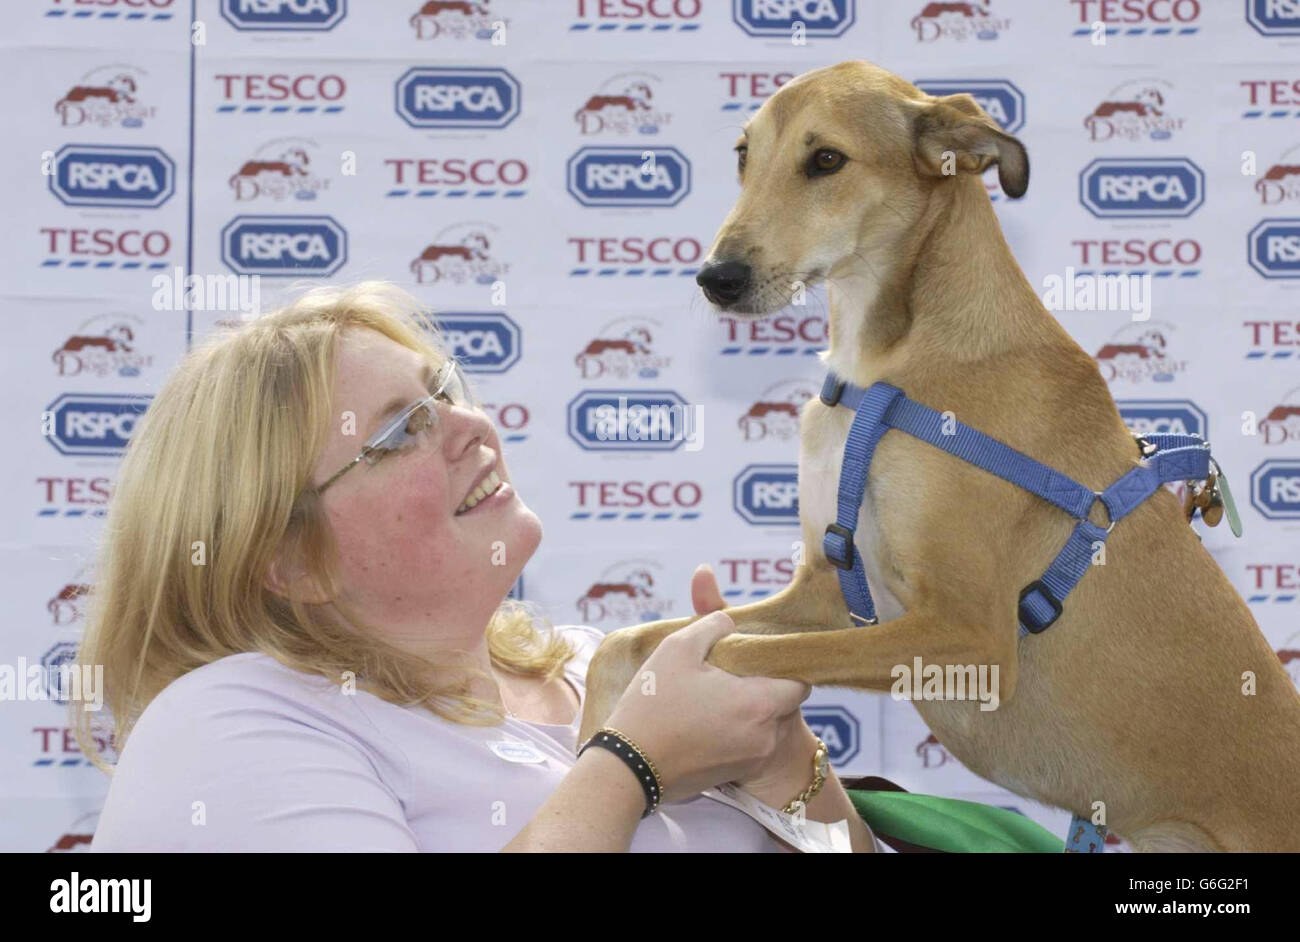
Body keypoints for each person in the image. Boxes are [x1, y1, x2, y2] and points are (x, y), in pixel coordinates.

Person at [80, 281, 878, 852]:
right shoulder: (227, 722)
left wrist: (781, 759)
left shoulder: (601, 665)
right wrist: (631, 764)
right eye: (399, 433)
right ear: (290, 560)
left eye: (447, 392)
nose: (469, 426)